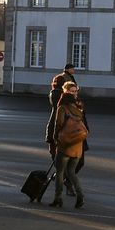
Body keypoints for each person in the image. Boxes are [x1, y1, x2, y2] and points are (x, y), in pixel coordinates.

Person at [45, 79, 89, 209]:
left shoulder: (62, 107)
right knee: (71, 172)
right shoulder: (79, 106)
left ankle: (58, 198)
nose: (75, 93)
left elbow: (58, 126)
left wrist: (55, 139)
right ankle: (80, 195)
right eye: (73, 91)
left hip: (65, 144)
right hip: (77, 145)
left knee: (60, 172)